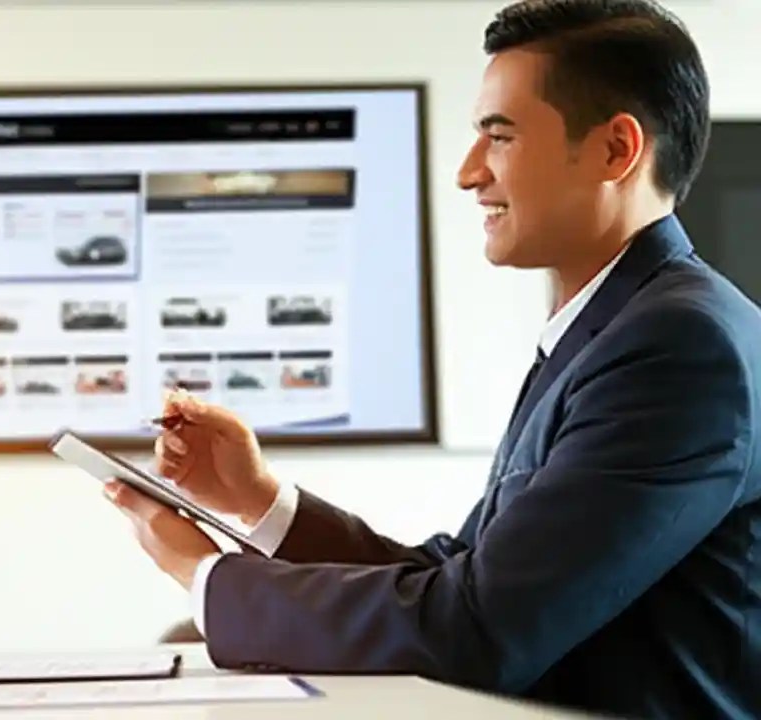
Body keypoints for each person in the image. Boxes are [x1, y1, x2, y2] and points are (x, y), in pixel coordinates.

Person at [103, 1, 761, 718]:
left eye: (499, 136)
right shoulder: (618, 327)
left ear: (615, 150)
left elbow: (476, 631)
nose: (468, 173)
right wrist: (255, 499)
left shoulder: (678, 348)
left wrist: (201, 573)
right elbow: (458, 576)